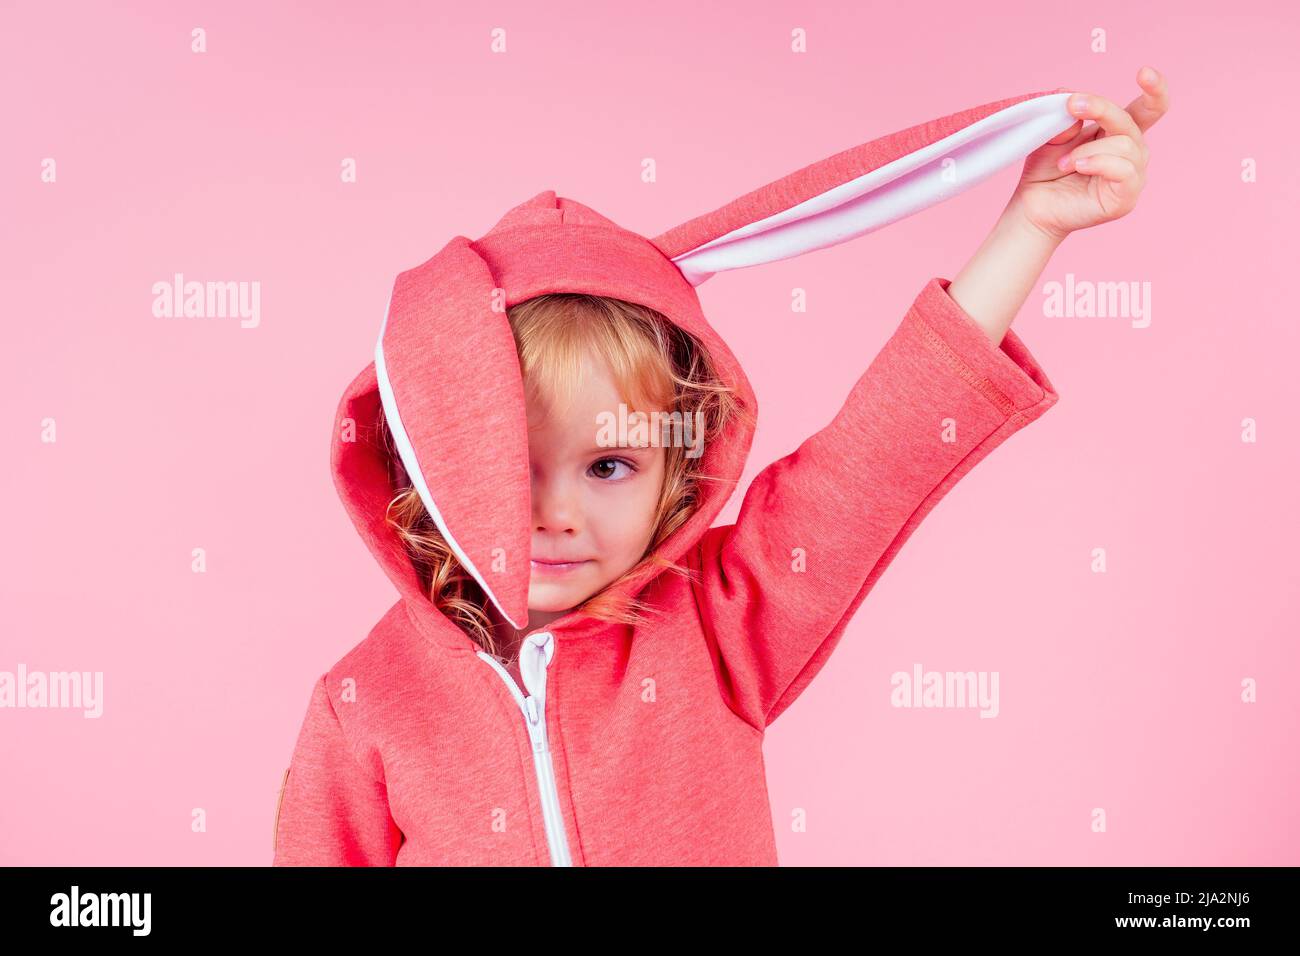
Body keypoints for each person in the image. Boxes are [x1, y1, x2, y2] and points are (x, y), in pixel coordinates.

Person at [272, 69, 1170, 866]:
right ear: (426, 459)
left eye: (609, 464)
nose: (556, 513)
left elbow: (880, 452)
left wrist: (1031, 227)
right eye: (511, 461)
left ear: (679, 471)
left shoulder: (719, 622)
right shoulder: (366, 703)